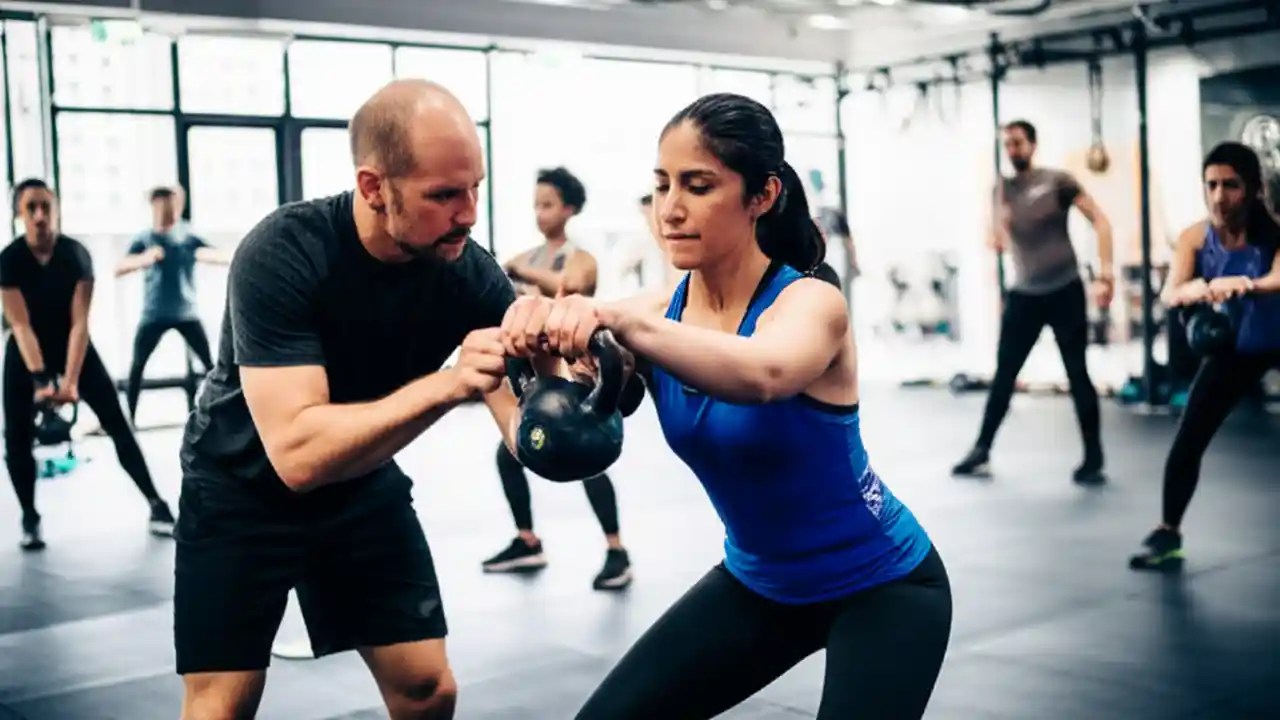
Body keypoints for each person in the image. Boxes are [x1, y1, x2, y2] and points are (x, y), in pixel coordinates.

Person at [502, 93, 951, 720]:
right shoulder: (654, 316)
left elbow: (763, 373)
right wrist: (540, 349)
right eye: (661, 186)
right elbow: (576, 438)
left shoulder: (811, 304)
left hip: (884, 585)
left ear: (762, 195)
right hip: (760, 585)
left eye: (698, 185)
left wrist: (615, 320)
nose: (671, 209)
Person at [172, 80, 552, 719]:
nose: (468, 214)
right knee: (222, 705)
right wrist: (453, 381)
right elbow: (297, 454)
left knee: (428, 690)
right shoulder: (283, 252)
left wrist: (579, 371)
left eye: (474, 189)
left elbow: (526, 423)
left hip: (359, 483)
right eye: (443, 196)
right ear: (375, 188)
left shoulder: (463, 266)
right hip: (240, 488)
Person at [1, 178, 177, 550]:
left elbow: (80, 322)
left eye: (46, 206)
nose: (40, 215)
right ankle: (30, 517)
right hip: (25, 352)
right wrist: (38, 380)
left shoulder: (76, 255)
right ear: (20, 213)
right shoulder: (10, 260)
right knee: (16, 439)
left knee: (118, 423)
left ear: (57, 208)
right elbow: (20, 324)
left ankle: (157, 504)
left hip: (73, 346)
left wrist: (71, 382)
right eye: (31, 207)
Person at [1129, 142, 1280, 572]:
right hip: (1240, 348)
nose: (1219, 196)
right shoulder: (1196, 237)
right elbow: (1171, 290)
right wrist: (1189, 290)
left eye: (1230, 185)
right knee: (1189, 437)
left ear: (1252, 189)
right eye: (1211, 184)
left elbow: (1277, 278)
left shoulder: (1275, 233)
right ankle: (1168, 534)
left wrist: (1242, 283)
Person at [483, 167, 631, 591]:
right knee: (508, 454)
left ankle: (616, 549)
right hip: (533, 380)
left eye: (547, 205)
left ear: (568, 209)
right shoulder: (528, 256)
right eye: (535, 205)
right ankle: (527, 540)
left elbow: (573, 285)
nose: (539, 213)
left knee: (588, 458)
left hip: (573, 374)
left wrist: (520, 273)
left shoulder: (577, 257)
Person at [952, 119, 1116, 485]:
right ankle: (981, 448)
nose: (1012, 150)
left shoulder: (1059, 181)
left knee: (1078, 373)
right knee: (1005, 374)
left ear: (1033, 144)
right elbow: (994, 239)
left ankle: (1093, 455)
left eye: (1018, 143)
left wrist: (1107, 275)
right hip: (1025, 294)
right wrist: (996, 224)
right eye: (1007, 144)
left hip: (1065, 289)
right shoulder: (1001, 189)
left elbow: (1101, 223)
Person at [116, 185, 228, 423]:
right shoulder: (145, 238)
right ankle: (129, 420)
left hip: (186, 312)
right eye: (161, 204)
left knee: (211, 366)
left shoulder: (187, 235)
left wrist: (213, 257)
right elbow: (120, 267)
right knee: (137, 367)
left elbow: (220, 255)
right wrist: (145, 259)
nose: (167, 209)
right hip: (153, 314)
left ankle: (221, 414)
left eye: (171, 204)